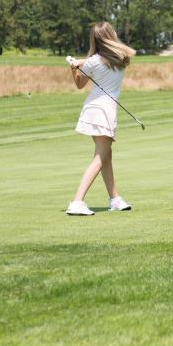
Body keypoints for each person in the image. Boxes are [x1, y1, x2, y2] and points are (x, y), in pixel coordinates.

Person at [65, 22, 135, 215]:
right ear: (111, 36)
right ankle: (77, 202)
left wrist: (75, 67)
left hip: (95, 109)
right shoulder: (122, 57)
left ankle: (114, 199)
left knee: (106, 155)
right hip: (103, 111)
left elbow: (80, 84)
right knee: (100, 157)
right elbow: (102, 61)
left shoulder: (92, 61)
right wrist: (79, 64)